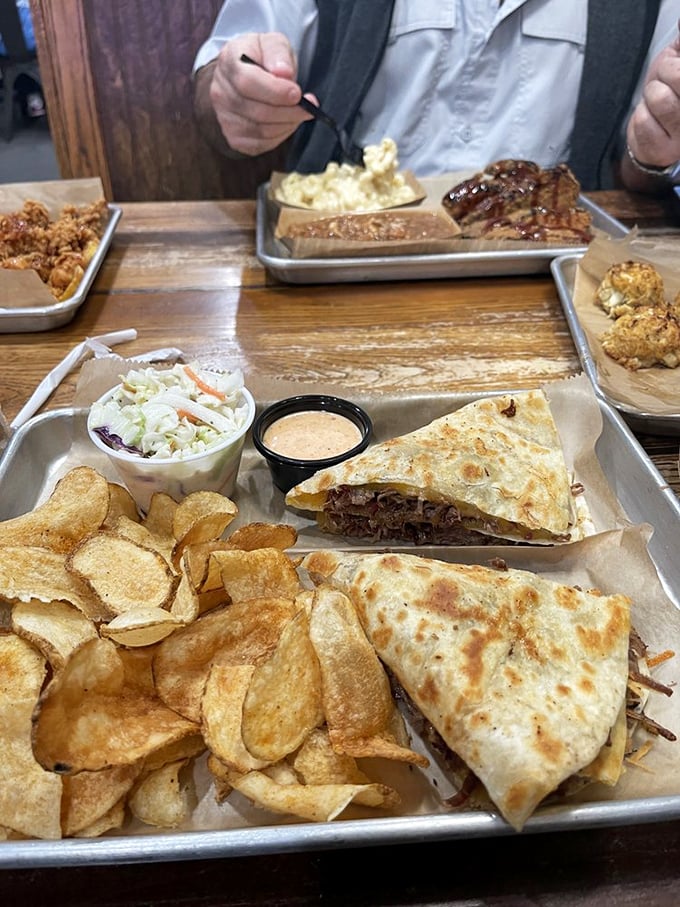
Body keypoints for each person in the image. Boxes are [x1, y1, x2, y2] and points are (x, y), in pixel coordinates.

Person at [193, 1, 680, 195]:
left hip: (555, 271)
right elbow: (216, 90)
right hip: (344, 251)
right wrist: (234, 97)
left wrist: (654, 153)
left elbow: (640, 168)